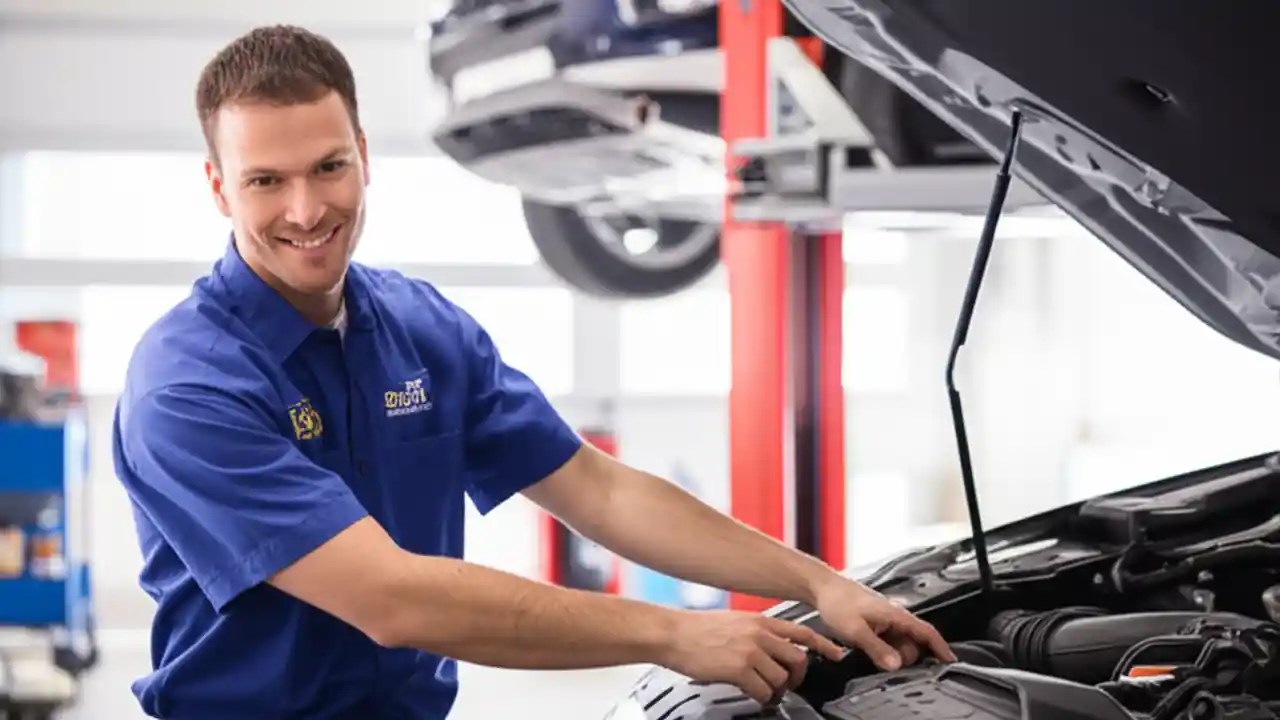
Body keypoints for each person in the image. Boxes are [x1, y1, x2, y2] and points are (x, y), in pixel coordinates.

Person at [112, 24, 955, 718]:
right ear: (220, 188)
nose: (305, 209)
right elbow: (392, 599)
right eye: (267, 181)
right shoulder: (187, 385)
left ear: (365, 155)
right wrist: (673, 633)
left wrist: (819, 581)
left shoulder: (420, 329)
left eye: (328, 167)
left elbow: (597, 489)